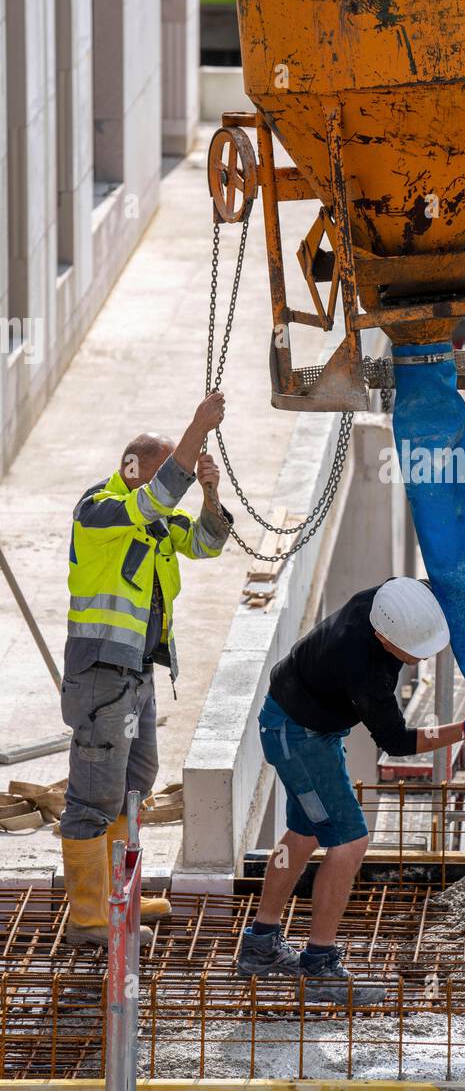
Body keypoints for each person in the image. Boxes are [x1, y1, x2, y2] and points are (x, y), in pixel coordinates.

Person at [237, 575, 465, 998]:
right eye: (408, 653)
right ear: (383, 637)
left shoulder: (399, 598)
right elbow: (397, 742)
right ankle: (319, 965)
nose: (415, 660)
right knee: (351, 840)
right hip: (297, 737)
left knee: (303, 834)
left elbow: (453, 590)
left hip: (304, 723)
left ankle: (260, 946)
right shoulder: (361, 668)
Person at [59, 391, 232, 947]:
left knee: (134, 782)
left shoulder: (152, 521)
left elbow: (206, 545)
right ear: (133, 470)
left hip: (136, 675)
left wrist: (210, 494)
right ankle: (88, 913)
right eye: (162, 477)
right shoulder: (101, 510)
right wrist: (197, 428)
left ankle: (119, 893)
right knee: (93, 794)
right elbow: (157, 496)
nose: (168, 490)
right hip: (100, 676)